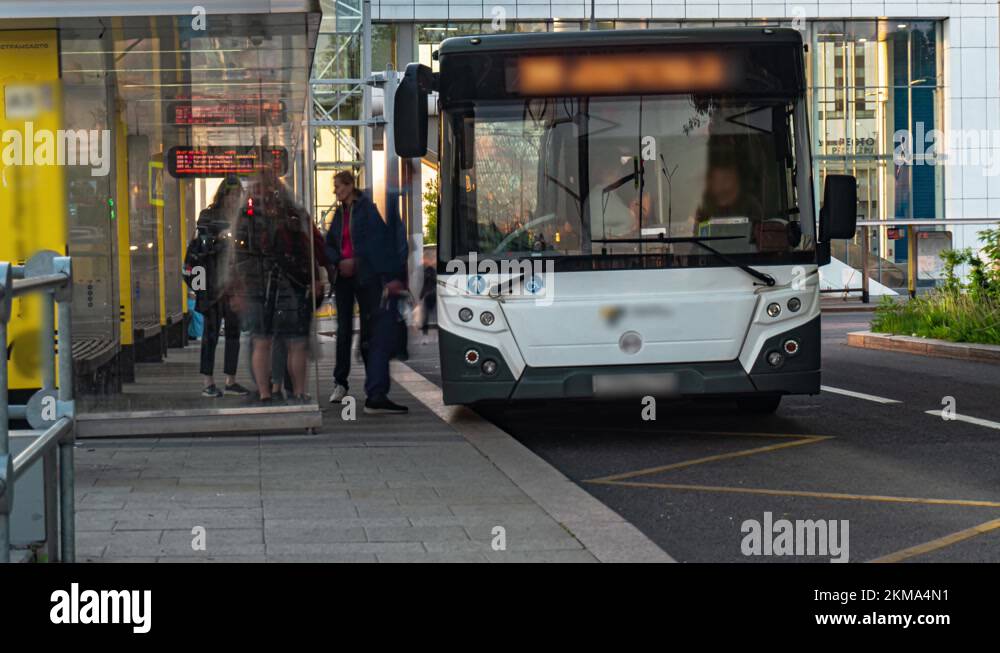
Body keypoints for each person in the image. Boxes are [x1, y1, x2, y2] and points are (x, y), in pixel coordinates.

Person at [325, 169, 409, 414]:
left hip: (365, 277)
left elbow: (377, 242)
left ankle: (372, 386)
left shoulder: (367, 210)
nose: (336, 191)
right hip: (344, 278)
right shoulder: (338, 215)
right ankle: (341, 382)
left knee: (368, 329)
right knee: (343, 329)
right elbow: (330, 243)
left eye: (339, 186)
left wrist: (358, 263)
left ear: (350, 186)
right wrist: (339, 261)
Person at [185, 175, 250, 398]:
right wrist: (219, 239)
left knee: (233, 333)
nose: (234, 199)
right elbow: (201, 247)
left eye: (238, 195)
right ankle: (208, 382)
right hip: (213, 284)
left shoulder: (242, 218)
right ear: (223, 195)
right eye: (232, 195)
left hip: (233, 284)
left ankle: (230, 380)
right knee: (210, 334)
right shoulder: (208, 216)